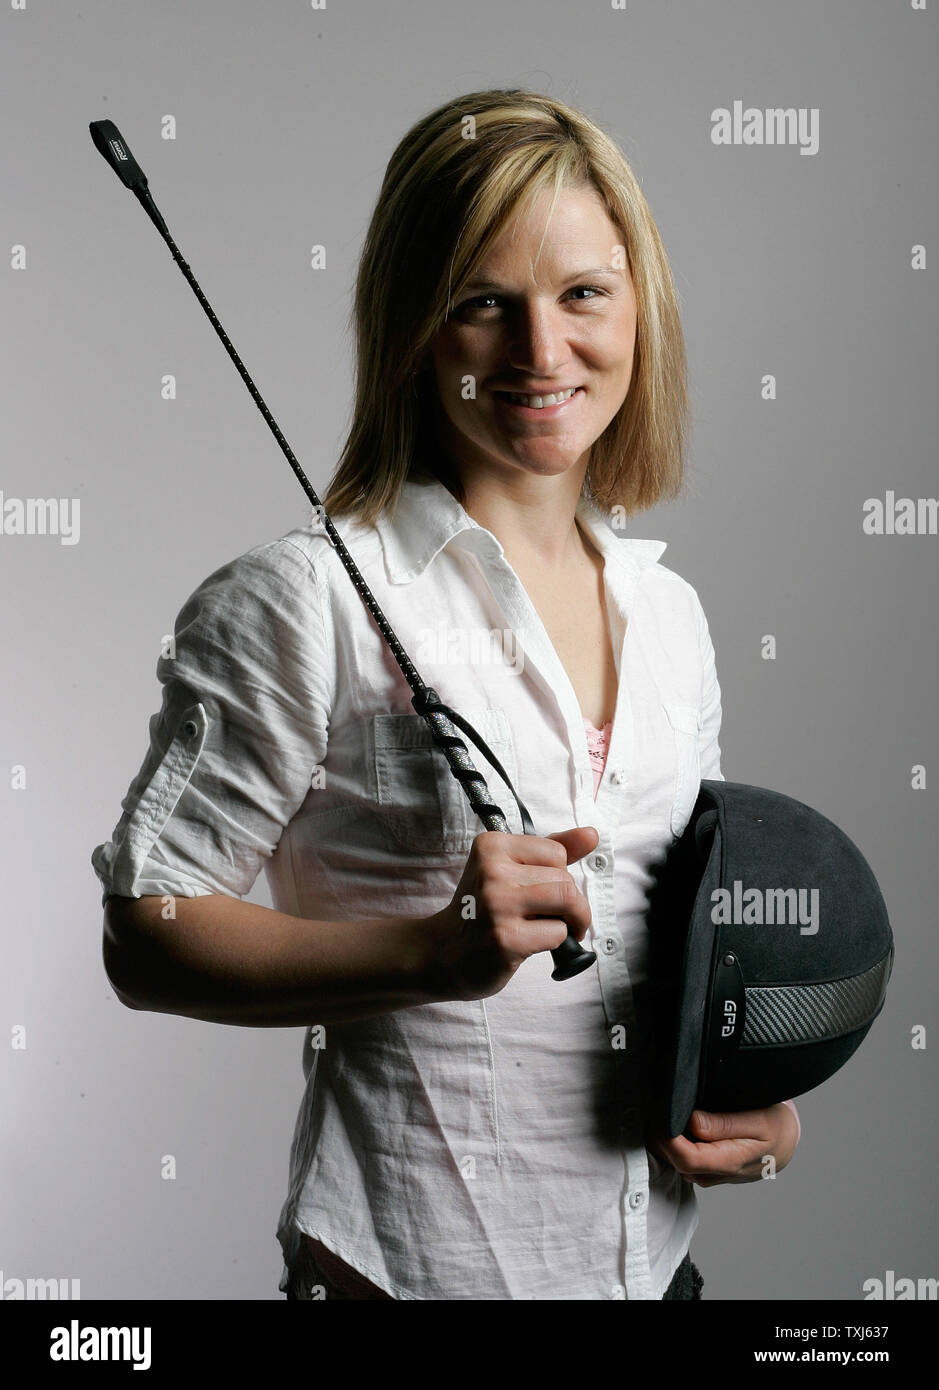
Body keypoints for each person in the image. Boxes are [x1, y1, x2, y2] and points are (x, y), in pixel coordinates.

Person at [94, 88, 800, 1302]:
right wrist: (431, 951)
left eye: (583, 293)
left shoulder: (669, 617)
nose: (541, 351)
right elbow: (144, 935)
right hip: (410, 1277)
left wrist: (748, 1092)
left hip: (658, 1274)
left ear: (641, 308)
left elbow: (677, 935)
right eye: (485, 303)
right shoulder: (299, 600)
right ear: (415, 329)